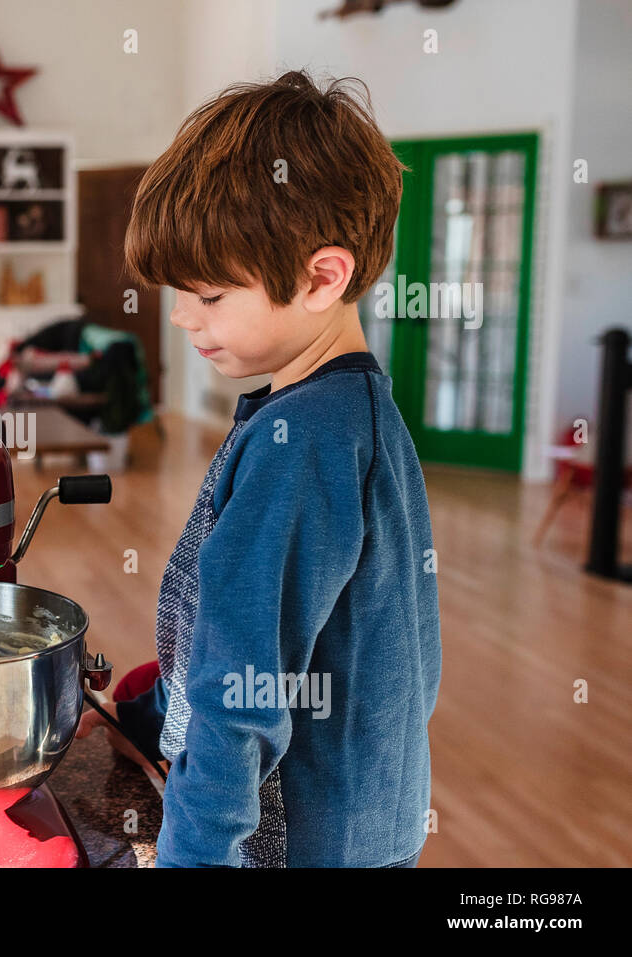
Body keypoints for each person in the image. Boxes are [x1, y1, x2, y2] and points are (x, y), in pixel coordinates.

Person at [77, 71, 441, 867]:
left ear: (323, 276)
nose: (179, 317)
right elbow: (399, 654)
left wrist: (191, 855)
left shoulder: (301, 445)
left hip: (304, 842)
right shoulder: (358, 414)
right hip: (371, 821)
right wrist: (143, 709)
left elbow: (241, 693)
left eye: (207, 293)